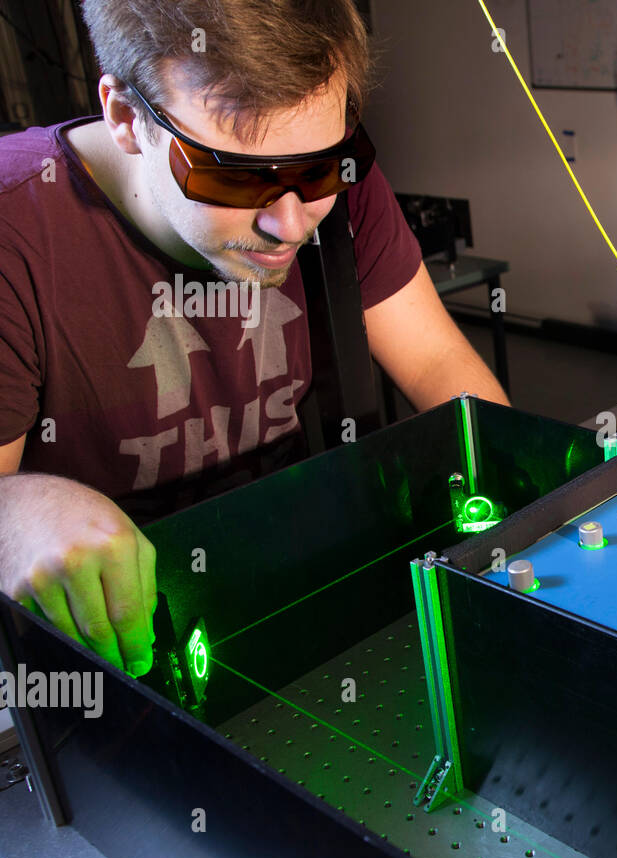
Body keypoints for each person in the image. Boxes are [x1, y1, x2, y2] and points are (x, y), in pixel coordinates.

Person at [0, 0, 508, 678]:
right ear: (127, 118)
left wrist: (521, 514)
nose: (291, 223)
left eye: (321, 166)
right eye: (238, 177)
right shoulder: (17, 232)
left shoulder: (336, 190)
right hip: (117, 653)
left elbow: (440, 363)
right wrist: (30, 511)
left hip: (288, 593)